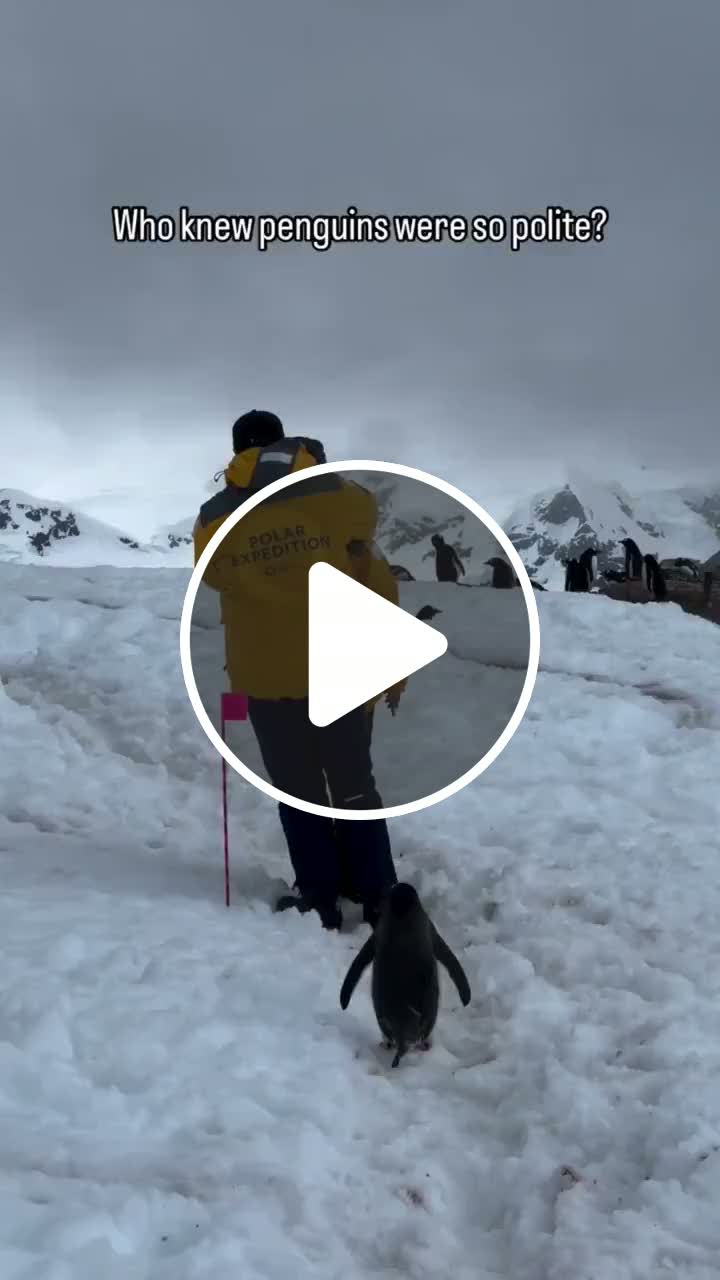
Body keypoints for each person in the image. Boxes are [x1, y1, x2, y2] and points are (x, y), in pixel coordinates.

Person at [193, 409, 403, 931]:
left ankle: (320, 896)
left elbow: (213, 574)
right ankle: (377, 892)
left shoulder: (215, 515)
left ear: (237, 448)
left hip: (265, 673)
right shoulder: (335, 492)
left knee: (297, 788)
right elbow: (370, 552)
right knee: (355, 785)